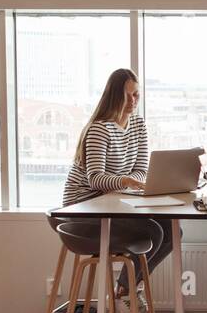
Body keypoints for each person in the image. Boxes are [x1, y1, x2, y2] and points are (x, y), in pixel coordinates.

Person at [62, 68, 177, 296]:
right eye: (127, 96)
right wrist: (125, 181)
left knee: (173, 231)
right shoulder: (99, 129)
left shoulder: (137, 125)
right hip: (82, 212)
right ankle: (126, 292)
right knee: (154, 232)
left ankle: (127, 288)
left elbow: (141, 169)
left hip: (112, 205)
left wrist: (132, 182)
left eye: (136, 95)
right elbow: (95, 179)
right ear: (114, 96)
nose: (133, 101)